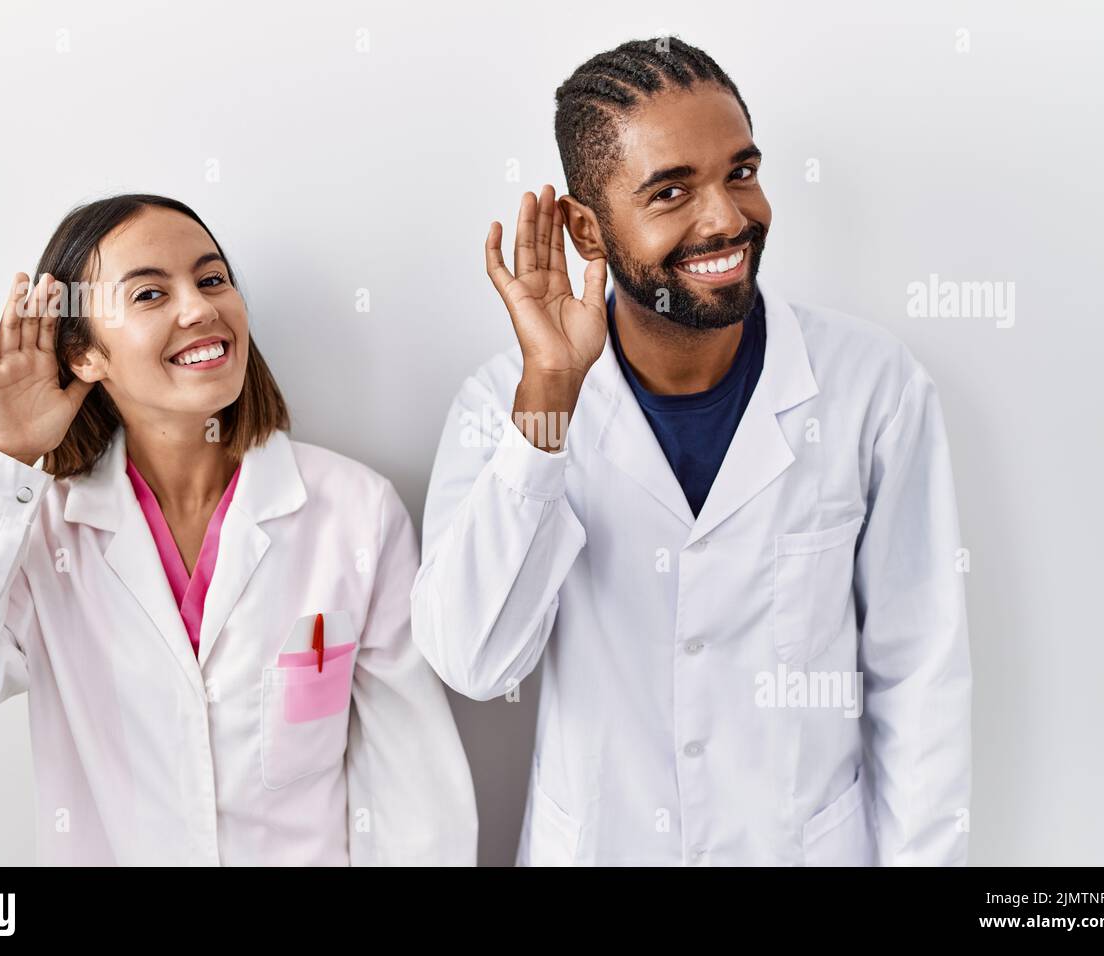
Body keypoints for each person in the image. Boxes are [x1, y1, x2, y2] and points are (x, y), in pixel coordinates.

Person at [411, 38, 970, 866]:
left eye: (740, 172)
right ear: (587, 230)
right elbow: (475, 661)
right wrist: (551, 403)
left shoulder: (870, 388)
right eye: (672, 191)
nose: (728, 217)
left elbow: (921, 679)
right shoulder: (506, 403)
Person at [0, 194, 477, 866]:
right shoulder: (39, 536)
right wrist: (2, 457)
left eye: (212, 279)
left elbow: (414, 795)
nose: (199, 308)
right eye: (151, 293)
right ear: (86, 355)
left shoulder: (355, 512)